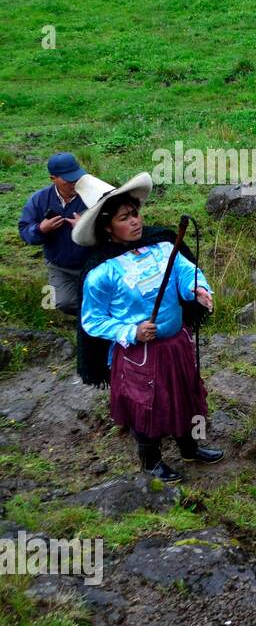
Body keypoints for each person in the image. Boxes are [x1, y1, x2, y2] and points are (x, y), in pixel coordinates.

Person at [74, 172, 224, 482]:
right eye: (124, 218)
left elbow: (185, 272)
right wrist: (131, 332)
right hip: (138, 355)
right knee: (147, 405)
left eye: (135, 214)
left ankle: (189, 447)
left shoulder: (162, 246)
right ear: (107, 227)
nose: (135, 222)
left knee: (184, 393)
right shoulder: (101, 273)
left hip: (175, 344)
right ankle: (151, 461)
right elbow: (93, 319)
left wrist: (197, 289)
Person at [17, 152, 91, 316]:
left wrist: (86, 227)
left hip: (92, 263)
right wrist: (40, 229)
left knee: (102, 297)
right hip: (59, 266)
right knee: (64, 302)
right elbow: (24, 230)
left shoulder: (93, 196)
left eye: (76, 177)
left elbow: (113, 226)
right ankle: (90, 318)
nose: (73, 183)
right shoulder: (39, 200)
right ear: (53, 178)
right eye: (68, 179)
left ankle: (98, 323)